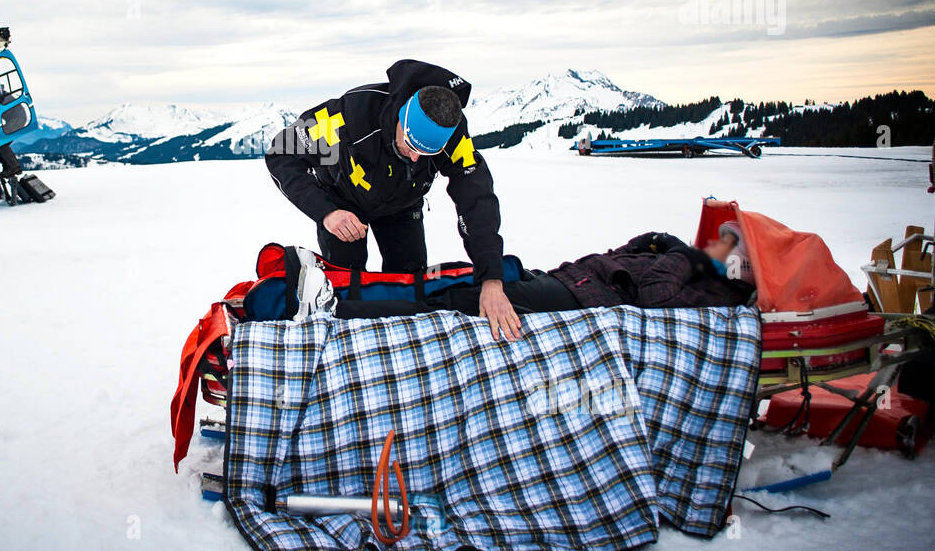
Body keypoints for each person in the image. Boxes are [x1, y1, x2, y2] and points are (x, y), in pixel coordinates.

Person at [266, 60, 520, 340]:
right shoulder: (350, 115)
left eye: (426, 154)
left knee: (410, 284)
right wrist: (327, 213)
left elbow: (476, 199)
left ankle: (404, 348)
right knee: (346, 285)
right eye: (410, 145)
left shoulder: (453, 135)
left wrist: (491, 278)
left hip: (403, 203)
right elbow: (281, 153)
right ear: (401, 117)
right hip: (343, 203)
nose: (415, 158)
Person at [292, 224, 756, 325]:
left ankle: (338, 311)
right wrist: (662, 242)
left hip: (572, 301)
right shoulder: (693, 267)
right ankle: (338, 294)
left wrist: (688, 257)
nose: (710, 244)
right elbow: (633, 249)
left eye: (722, 245)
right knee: (450, 285)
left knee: (449, 305)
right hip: (561, 281)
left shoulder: (714, 292)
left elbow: (654, 298)